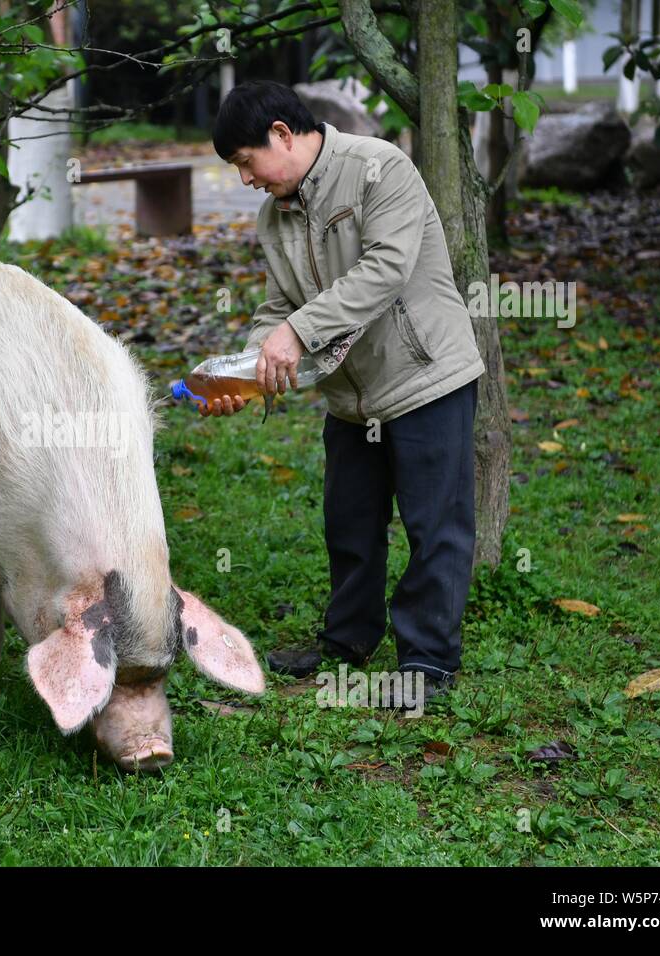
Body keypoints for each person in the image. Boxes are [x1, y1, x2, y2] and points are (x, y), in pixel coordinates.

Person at [205, 80, 485, 706]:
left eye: (246, 162)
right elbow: (278, 307)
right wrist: (244, 374)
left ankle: (427, 663)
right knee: (350, 524)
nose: (246, 179)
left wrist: (295, 334)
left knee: (434, 526)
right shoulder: (272, 216)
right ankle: (348, 641)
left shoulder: (378, 168)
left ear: (281, 133)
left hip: (424, 378)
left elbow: (385, 269)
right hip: (351, 398)